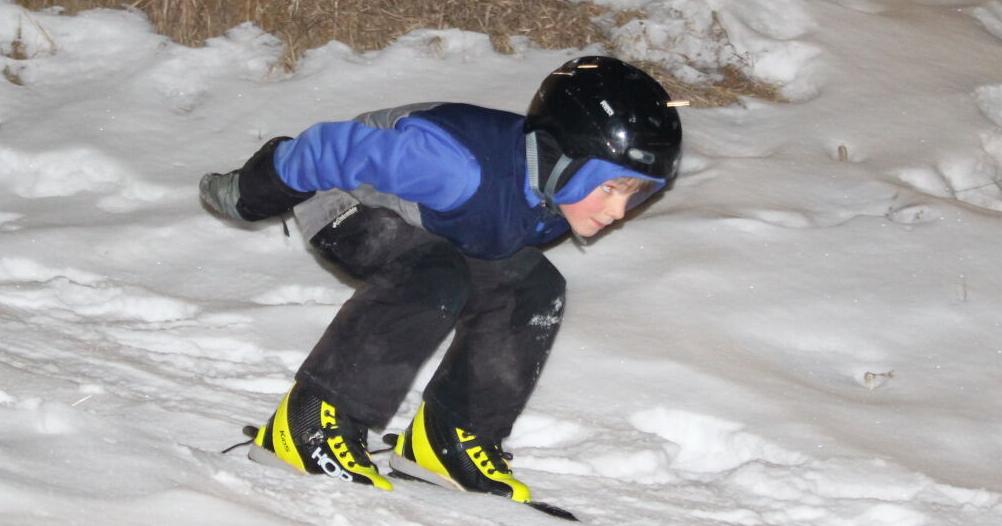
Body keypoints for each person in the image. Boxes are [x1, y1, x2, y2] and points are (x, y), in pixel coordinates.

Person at [200, 56, 683, 502]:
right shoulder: (453, 169)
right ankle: (305, 431)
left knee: (533, 289)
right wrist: (248, 191)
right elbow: (327, 149)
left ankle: (447, 438)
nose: (619, 211)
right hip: (342, 200)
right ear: (563, 159)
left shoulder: (554, 196)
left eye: (637, 193)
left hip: (433, 223)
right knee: (433, 276)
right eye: (611, 187)